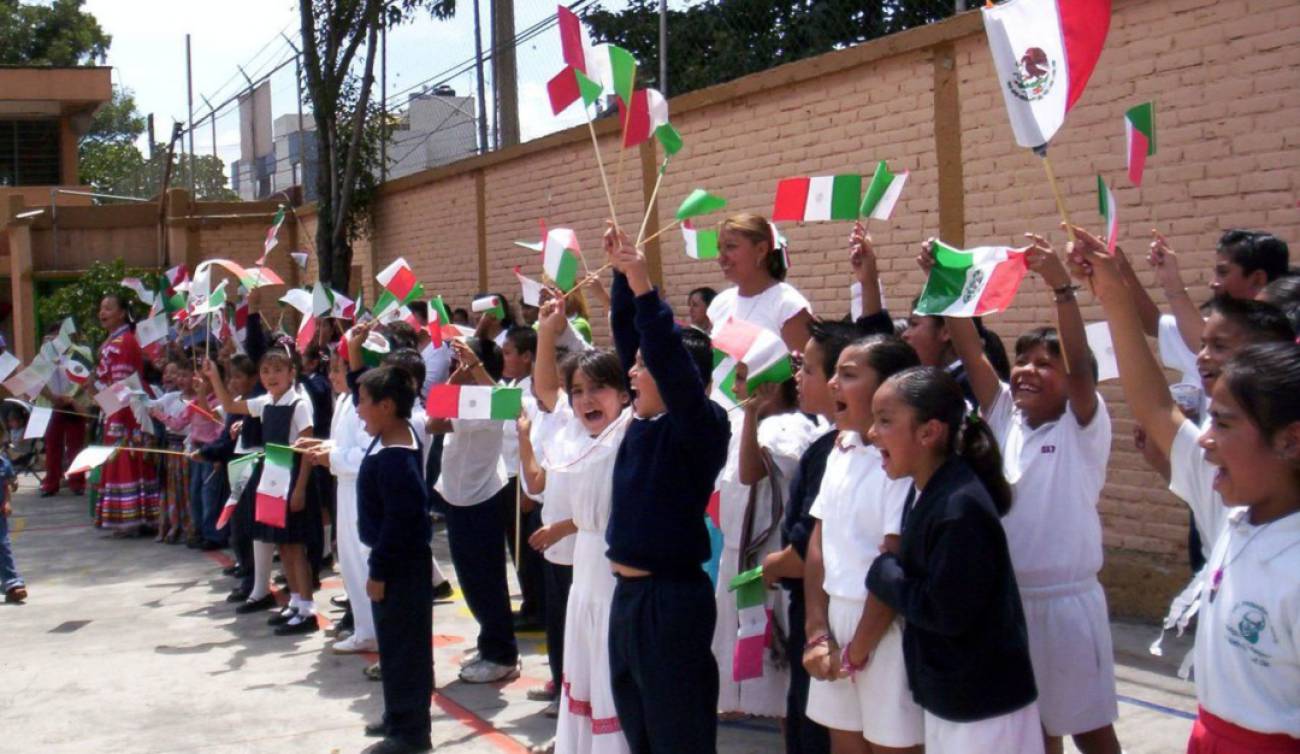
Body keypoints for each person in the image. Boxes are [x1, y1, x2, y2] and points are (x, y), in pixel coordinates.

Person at [1069, 227, 1300, 751]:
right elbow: (1154, 407)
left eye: (1223, 423)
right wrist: (1110, 293)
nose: (1206, 441)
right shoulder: (1236, 509)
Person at [937, 234, 1121, 754]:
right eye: (1023, 360)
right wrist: (948, 282)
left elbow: (1083, 369)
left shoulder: (1081, 428)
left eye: (1045, 363)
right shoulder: (1002, 417)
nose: (1027, 371)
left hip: (1067, 605)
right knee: (1034, 729)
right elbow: (970, 348)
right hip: (1012, 602)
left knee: (1088, 728)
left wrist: (1062, 286)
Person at [864, 366, 1043, 754]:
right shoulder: (931, 491)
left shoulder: (959, 507)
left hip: (982, 706)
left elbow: (946, 611)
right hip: (953, 697)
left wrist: (884, 574)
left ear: (929, 432)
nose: (872, 433)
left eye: (884, 421)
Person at [604, 225, 730, 753]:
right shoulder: (644, 422)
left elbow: (666, 359)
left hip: (670, 603)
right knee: (641, 730)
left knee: (678, 734)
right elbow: (634, 338)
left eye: (642, 367)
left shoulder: (699, 427)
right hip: (629, 599)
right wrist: (619, 275)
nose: (632, 373)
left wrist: (643, 284)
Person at [523, 297, 634, 754]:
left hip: (616, 576)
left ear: (625, 394)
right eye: (580, 391)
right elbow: (547, 390)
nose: (586, 399)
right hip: (584, 575)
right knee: (582, 661)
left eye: (599, 389)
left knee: (611, 667)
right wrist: (547, 333)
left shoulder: (631, 432)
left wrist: (565, 526)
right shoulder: (574, 431)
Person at [801, 335, 923, 754]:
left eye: (848, 376)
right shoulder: (842, 450)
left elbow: (894, 563)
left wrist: (858, 651)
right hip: (838, 622)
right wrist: (817, 632)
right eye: (833, 373)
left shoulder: (901, 464)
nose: (833, 383)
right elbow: (819, 542)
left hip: (885, 630)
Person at [766, 321, 861, 754]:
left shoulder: (842, 453)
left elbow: (809, 553)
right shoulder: (828, 447)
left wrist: (770, 567)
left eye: (807, 369)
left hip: (839, 621)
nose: (797, 378)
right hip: (816, 618)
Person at [205, 348, 318, 635]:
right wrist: (213, 376)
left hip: (291, 476)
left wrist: (300, 489)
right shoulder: (265, 402)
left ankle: (307, 608)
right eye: (266, 371)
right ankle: (294, 601)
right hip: (272, 477)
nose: (271, 376)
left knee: (295, 547)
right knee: (281, 543)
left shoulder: (300, 404)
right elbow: (230, 405)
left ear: (291, 373)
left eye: (278, 370)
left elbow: (307, 450)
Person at [429, 335, 520, 683]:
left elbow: (436, 418)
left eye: (460, 362)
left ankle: (501, 655)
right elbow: (436, 409)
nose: (455, 368)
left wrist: (476, 367)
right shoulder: (466, 396)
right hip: (458, 495)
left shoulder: (486, 401)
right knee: (470, 580)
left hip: (480, 498)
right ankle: (489, 644)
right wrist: (460, 371)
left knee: (486, 580)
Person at [355, 365, 434, 754]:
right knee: (394, 645)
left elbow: (402, 522)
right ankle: (396, 715)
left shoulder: (397, 457)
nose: (358, 410)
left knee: (406, 649)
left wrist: (379, 569)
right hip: (395, 560)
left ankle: (411, 733)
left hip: (401, 566)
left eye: (364, 402)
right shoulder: (387, 439)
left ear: (386, 406)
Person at [304, 346, 378, 654]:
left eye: (338, 369)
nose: (333, 376)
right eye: (332, 369)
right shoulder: (345, 401)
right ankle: (363, 627)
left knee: (363, 559)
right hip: (344, 488)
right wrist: (322, 446)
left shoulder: (366, 407)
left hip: (360, 488)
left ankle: (375, 629)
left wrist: (330, 456)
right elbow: (343, 443)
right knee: (347, 561)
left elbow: (367, 453)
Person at [93, 293, 162, 537]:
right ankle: (135, 516)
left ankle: (133, 518)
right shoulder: (117, 340)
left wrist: (113, 413)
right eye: (101, 308)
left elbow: (123, 385)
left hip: (127, 409)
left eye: (109, 308)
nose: (103, 312)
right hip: (120, 406)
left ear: (122, 313)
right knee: (125, 458)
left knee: (127, 457)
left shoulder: (122, 342)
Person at [707, 213, 814, 354]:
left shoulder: (788, 306)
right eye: (719, 248)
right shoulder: (720, 303)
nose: (721, 258)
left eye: (731, 247)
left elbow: (805, 370)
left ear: (761, 250)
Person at [501, 325, 545, 631]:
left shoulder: (532, 390)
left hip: (524, 480)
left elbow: (539, 441)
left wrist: (530, 493)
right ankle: (531, 602)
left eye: (508, 353)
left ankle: (538, 607)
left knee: (528, 549)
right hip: (510, 475)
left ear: (528, 356)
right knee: (517, 547)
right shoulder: (516, 384)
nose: (504, 359)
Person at [40, 324, 88, 498]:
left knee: (76, 445)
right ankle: (51, 483)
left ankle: (77, 482)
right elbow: (36, 381)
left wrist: (70, 397)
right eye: (51, 336)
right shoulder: (44, 356)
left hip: (75, 403)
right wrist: (53, 397)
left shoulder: (81, 353)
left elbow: (86, 378)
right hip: (53, 405)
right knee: (53, 445)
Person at [0, 453, 24, 603]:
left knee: (3, 546)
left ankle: (12, 585)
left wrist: (7, 501)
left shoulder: (3, 463)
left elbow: (7, 485)